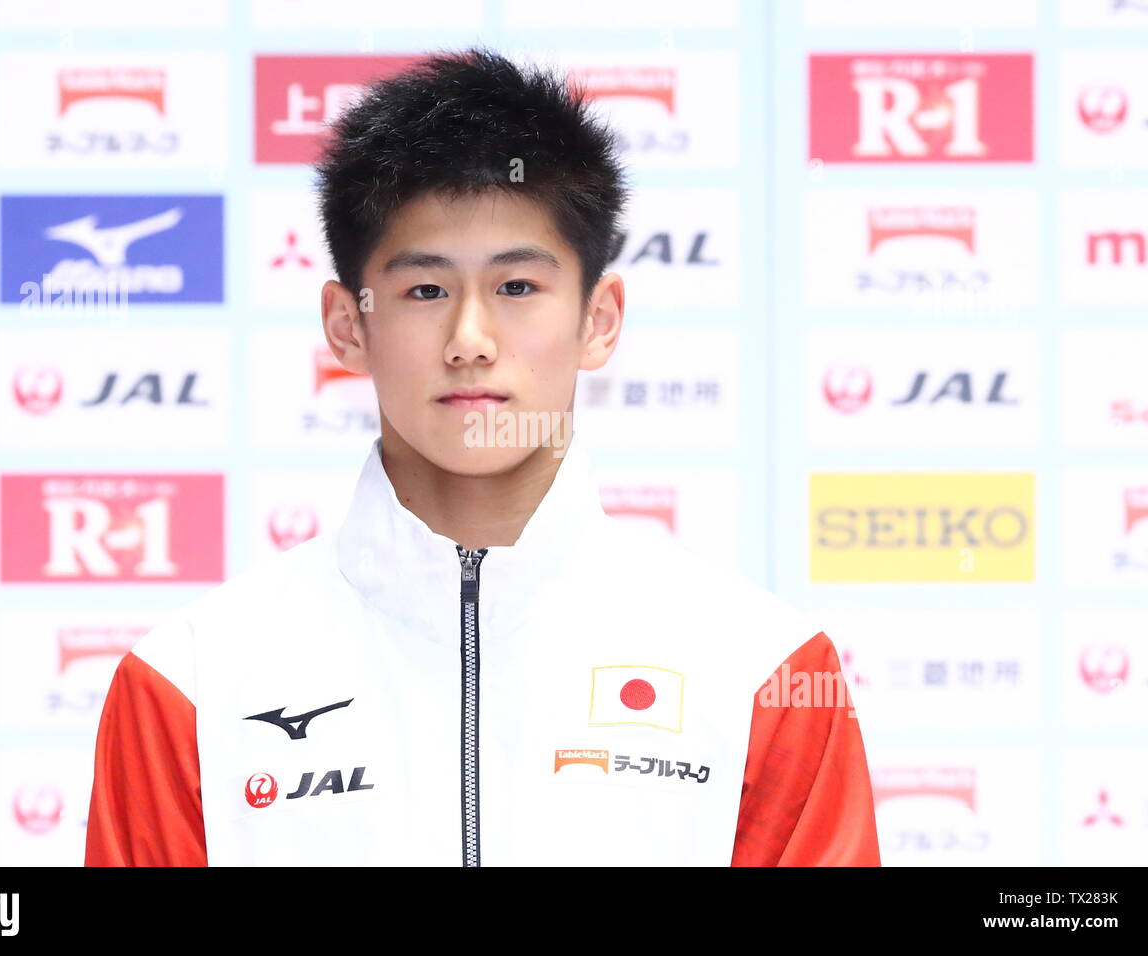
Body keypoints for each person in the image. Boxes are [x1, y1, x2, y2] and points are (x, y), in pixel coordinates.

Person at [84, 46, 881, 867]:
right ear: (347, 324)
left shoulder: (762, 672)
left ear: (600, 318)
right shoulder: (190, 682)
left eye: (517, 288)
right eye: (425, 291)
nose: (470, 341)